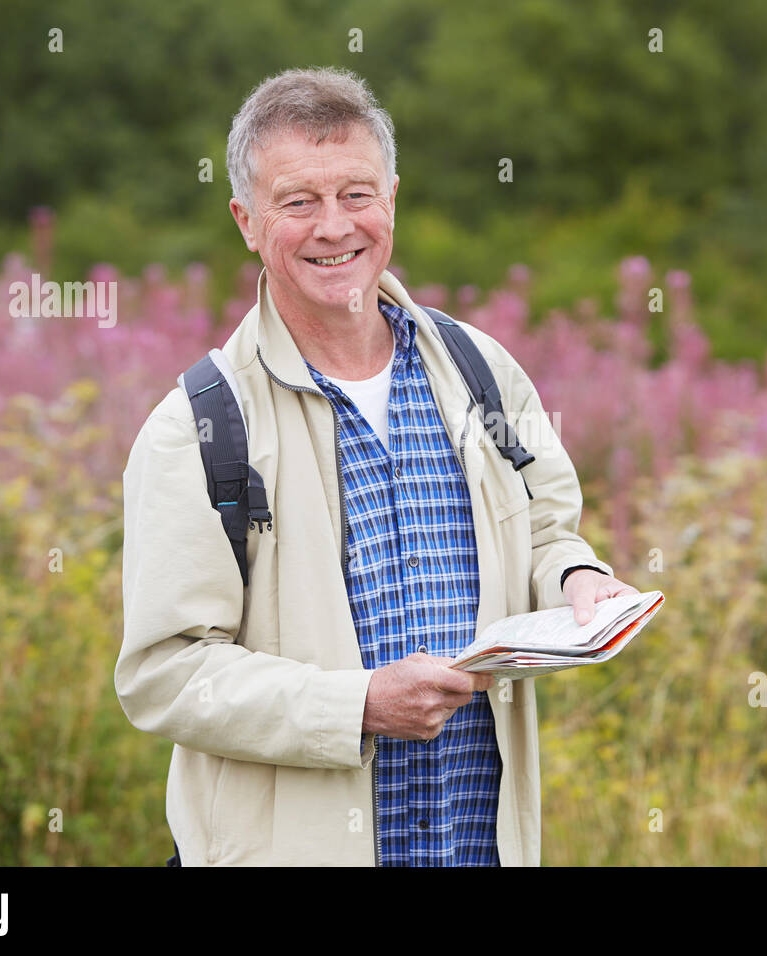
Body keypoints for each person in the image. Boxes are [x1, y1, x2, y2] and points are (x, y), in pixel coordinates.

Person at [115, 66, 635, 866]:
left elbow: (546, 529)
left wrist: (577, 579)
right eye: (298, 202)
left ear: (392, 197)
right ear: (246, 221)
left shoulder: (482, 369)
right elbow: (164, 674)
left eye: (356, 195)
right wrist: (355, 706)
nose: (334, 227)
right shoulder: (201, 423)